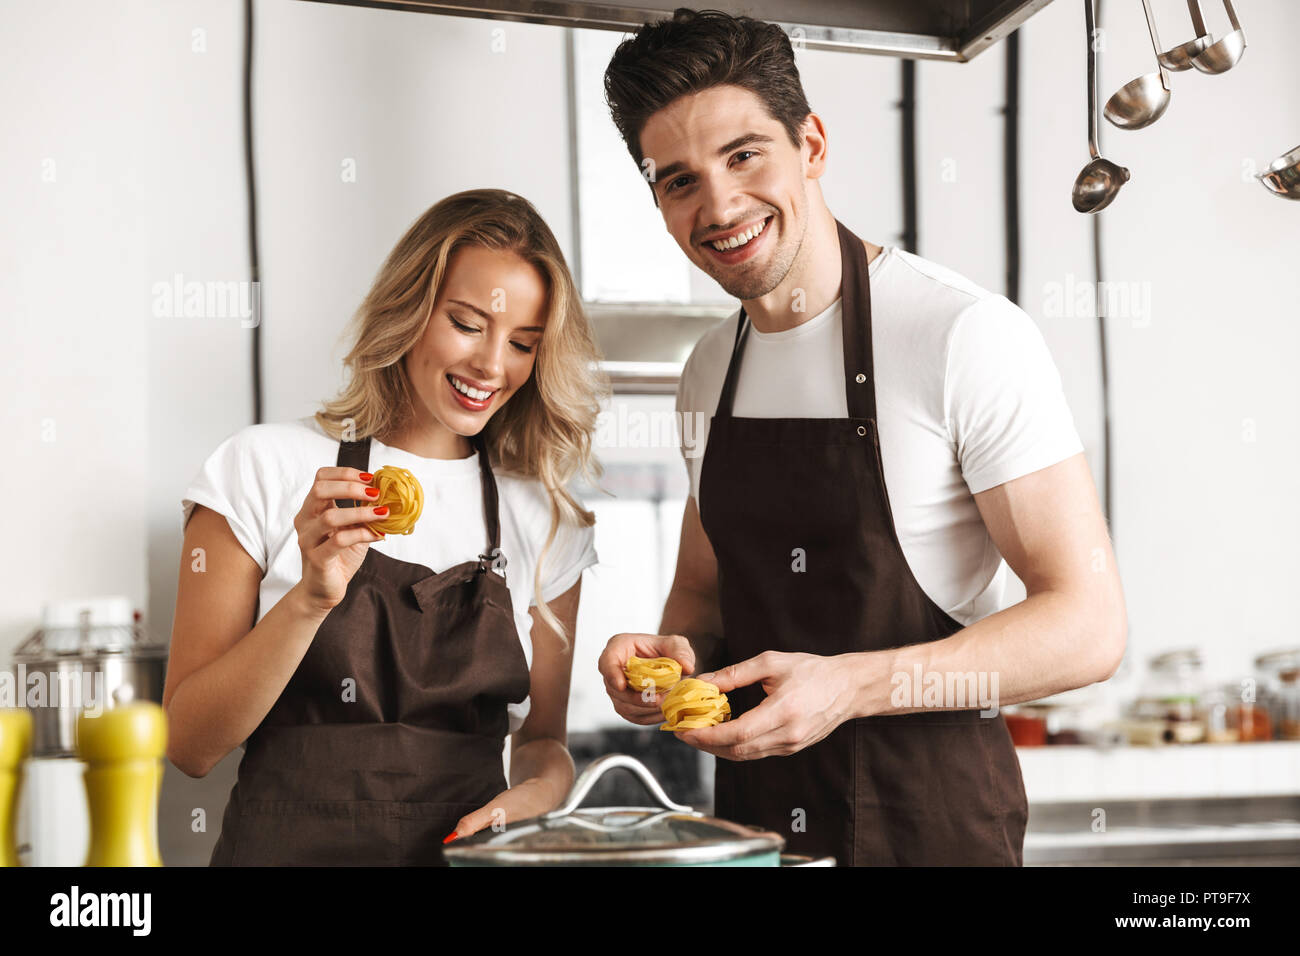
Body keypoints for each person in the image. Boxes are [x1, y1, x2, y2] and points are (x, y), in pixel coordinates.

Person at [597, 9, 1127, 866]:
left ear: (810, 144)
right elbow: (702, 596)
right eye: (679, 180)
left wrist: (849, 687)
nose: (720, 205)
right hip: (758, 834)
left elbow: (1088, 625)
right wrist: (668, 664)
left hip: (932, 830)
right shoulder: (708, 368)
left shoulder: (959, 334)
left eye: (744, 155)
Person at [166, 188, 606, 866]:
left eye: (523, 342)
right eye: (466, 323)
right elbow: (188, 744)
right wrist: (310, 599)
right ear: (408, 310)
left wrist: (535, 798)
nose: (493, 365)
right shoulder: (261, 468)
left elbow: (543, 743)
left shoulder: (546, 520)